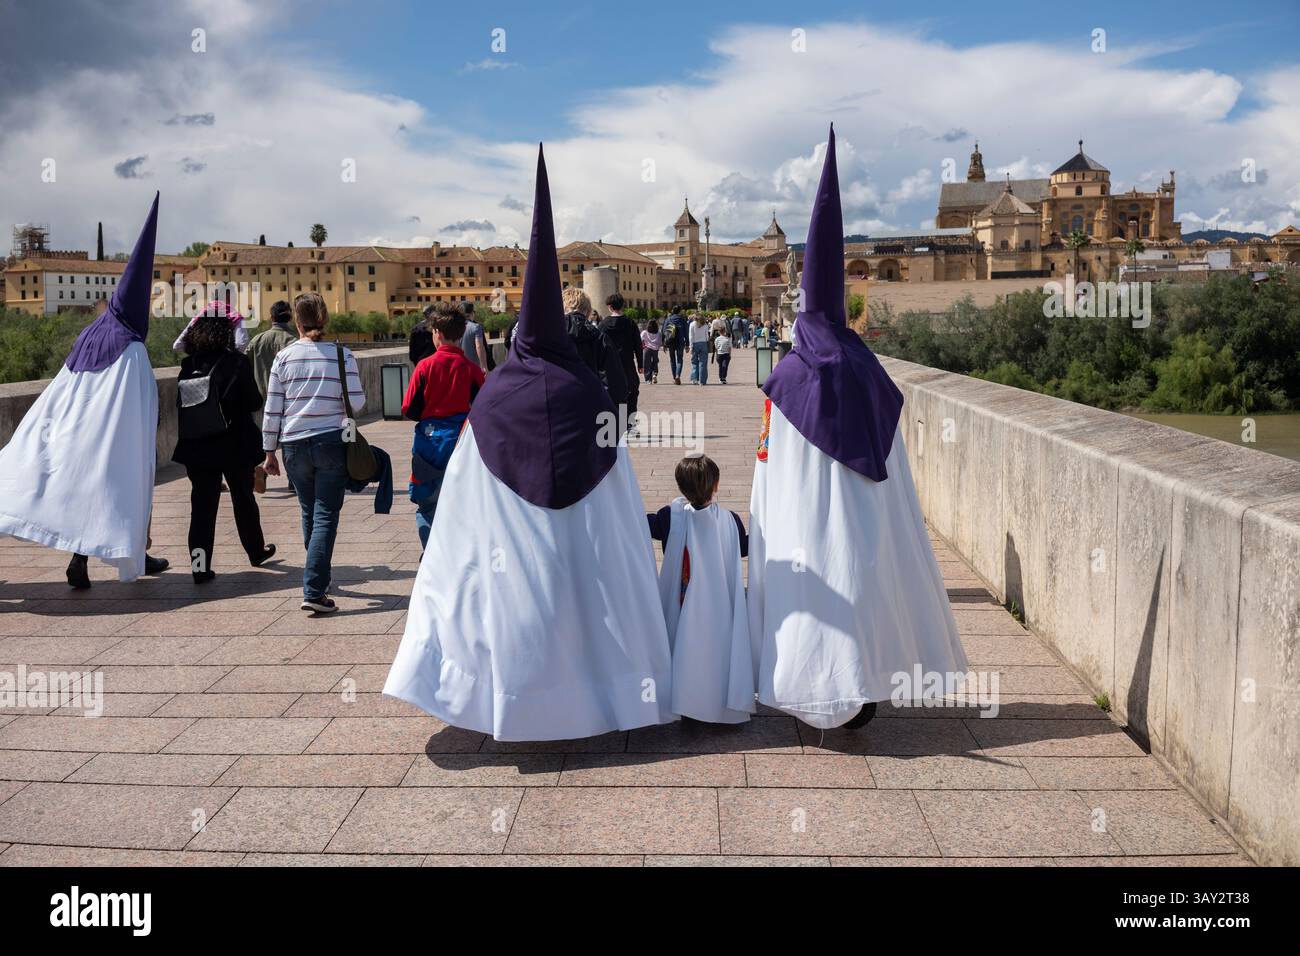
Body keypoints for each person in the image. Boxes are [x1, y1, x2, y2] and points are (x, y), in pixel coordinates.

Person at [384, 145, 673, 741]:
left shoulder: (493, 397)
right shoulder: (589, 392)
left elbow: (464, 511)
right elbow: (618, 492)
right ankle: (606, 691)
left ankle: (508, 696)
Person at [748, 126, 968, 730]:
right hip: (867, 501)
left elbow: (773, 456)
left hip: (806, 507)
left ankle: (818, 682)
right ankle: (870, 673)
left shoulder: (791, 373)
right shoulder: (866, 365)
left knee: (821, 579)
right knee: (867, 573)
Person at [0, 193, 169, 589]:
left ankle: (98, 556)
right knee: (107, 487)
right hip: (106, 438)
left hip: (70, 430)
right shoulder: (132, 348)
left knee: (73, 486)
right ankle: (125, 553)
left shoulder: (92, 332)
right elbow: (139, 407)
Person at [261, 292, 366, 614]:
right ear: (325, 319)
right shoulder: (341, 355)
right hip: (330, 443)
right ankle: (315, 588)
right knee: (324, 516)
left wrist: (268, 452)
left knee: (309, 512)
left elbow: (273, 408)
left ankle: (318, 577)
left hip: (293, 445)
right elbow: (358, 403)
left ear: (297, 320)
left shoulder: (284, 357)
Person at [646, 452, 754, 724]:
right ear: (716, 485)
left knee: (681, 647)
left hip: (679, 600)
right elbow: (744, 547)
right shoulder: (730, 520)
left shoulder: (668, 516)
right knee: (712, 650)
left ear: (680, 487)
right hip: (715, 605)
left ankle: (682, 699)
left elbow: (643, 525)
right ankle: (712, 699)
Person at [173, 309, 275, 583]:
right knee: (243, 499)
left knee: (202, 507)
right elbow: (254, 402)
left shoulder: (188, 365)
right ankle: (256, 551)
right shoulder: (237, 363)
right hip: (234, 445)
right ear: (225, 334)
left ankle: (199, 567)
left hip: (197, 446)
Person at [402, 303, 485, 548]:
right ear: (461, 335)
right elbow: (482, 407)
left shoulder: (424, 367)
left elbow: (409, 408)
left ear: (436, 332)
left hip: (429, 445)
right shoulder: (471, 369)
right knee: (463, 504)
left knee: (427, 505)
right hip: (462, 442)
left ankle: (431, 555)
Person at [246, 299, 298, 493]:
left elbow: (246, 369)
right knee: (288, 442)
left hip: (260, 399)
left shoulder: (257, 340)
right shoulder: (294, 341)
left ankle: (260, 469)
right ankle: (293, 480)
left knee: (262, 440)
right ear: (290, 317)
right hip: (287, 400)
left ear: (271, 317)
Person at [563, 287, 627, 405]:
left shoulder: (549, 337)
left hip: (558, 409)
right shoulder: (600, 338)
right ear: (588, 312)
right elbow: (615, 385)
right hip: (591, 407)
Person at [599, 292, 641, 431]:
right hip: (628, 363)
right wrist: (640, 364)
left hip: (609, 365)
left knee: (613, 393)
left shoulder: (603, 325)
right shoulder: (630, 323)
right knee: (632, 391)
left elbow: (598, 346)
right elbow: (638, 345)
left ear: (610, 307)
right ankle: (629, 422)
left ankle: (615, 423)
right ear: (622, 305)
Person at [173, 300, 250, 353]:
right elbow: (242, 344)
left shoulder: (199, 316)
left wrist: (199, 352)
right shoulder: (235, 316)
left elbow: (177, 346)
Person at [458, 300, 489, 370]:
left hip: (457, 366)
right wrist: (484, 366)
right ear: (471, 313)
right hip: (473, 367)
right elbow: (479, 347)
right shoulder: (476, 327)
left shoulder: (453, 327)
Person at [662, 307, 689, 384]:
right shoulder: (682, 320)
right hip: (680, 342)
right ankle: (677, 375)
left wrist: (664, 344)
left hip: (671, 342)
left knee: (672, 360)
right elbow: (686, 333)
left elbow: (664, 331)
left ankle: (674, 378)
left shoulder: (668, 319)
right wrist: (687, 344)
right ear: (679, 312)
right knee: (680, 360)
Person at [689, 313, 710, 385]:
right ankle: (702, 381)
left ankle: (694, 379)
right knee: (703, 363)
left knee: (694, 362)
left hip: (695, 344)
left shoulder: (692, 324)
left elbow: (691, 337)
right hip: (703, 343)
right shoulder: (705, 325)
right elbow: (707, 337)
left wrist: (691, 347)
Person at [641, 319, 661, 384]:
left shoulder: (644, 332)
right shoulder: (658, 333)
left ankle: (648, 380)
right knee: (655, 362)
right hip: (655, 349)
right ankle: (654, 374)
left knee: (646, 364)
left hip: (647, 348)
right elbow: (660, 342)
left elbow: (640, 339)